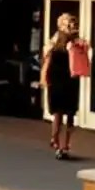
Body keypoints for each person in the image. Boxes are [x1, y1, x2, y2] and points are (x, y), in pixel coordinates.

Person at [41, 13, 82, 160]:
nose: (71, 28)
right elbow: (47, 59)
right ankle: (61, 143)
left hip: (65, 81)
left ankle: (60, 143)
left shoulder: (74, 43)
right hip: (63, 81)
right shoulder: (59, 43)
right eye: (69, 25)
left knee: (62, 114)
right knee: (62, 114)